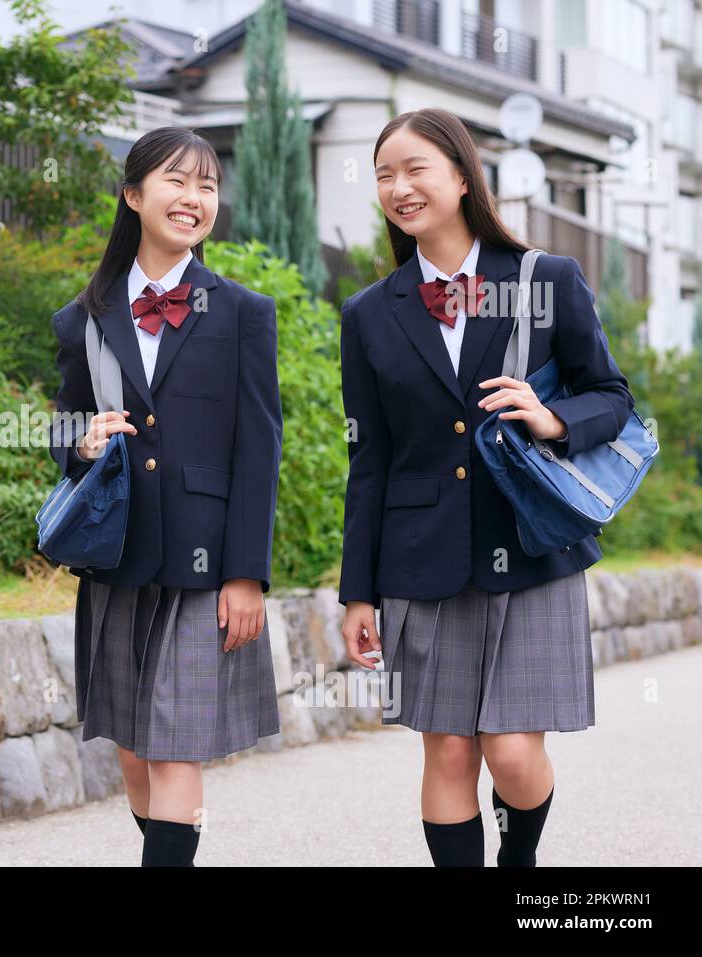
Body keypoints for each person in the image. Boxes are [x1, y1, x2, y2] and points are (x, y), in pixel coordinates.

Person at [338, 108, 634, 866]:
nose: (398, 187)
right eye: (383, 175)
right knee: (446, 753)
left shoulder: (546, 278)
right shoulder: (369, 313)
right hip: (420, 556)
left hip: (529, 546)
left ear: (463, 178)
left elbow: (611, 396)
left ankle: (519, 858)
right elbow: (368, 458)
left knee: (510, 752)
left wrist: (549, 416)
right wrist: (357, 593)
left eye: (415, 169)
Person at [47, 125, 283, 867]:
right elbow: (61, 420)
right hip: (118, 556)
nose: (194, 197)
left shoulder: (244, 313)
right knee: (134, 748)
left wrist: (246, 573)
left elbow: (260, 448)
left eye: (207, 185)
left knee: (177, 743)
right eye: (177, 181)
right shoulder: (84, 317)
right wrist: (79, 441)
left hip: (203, 563)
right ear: (133, 194)